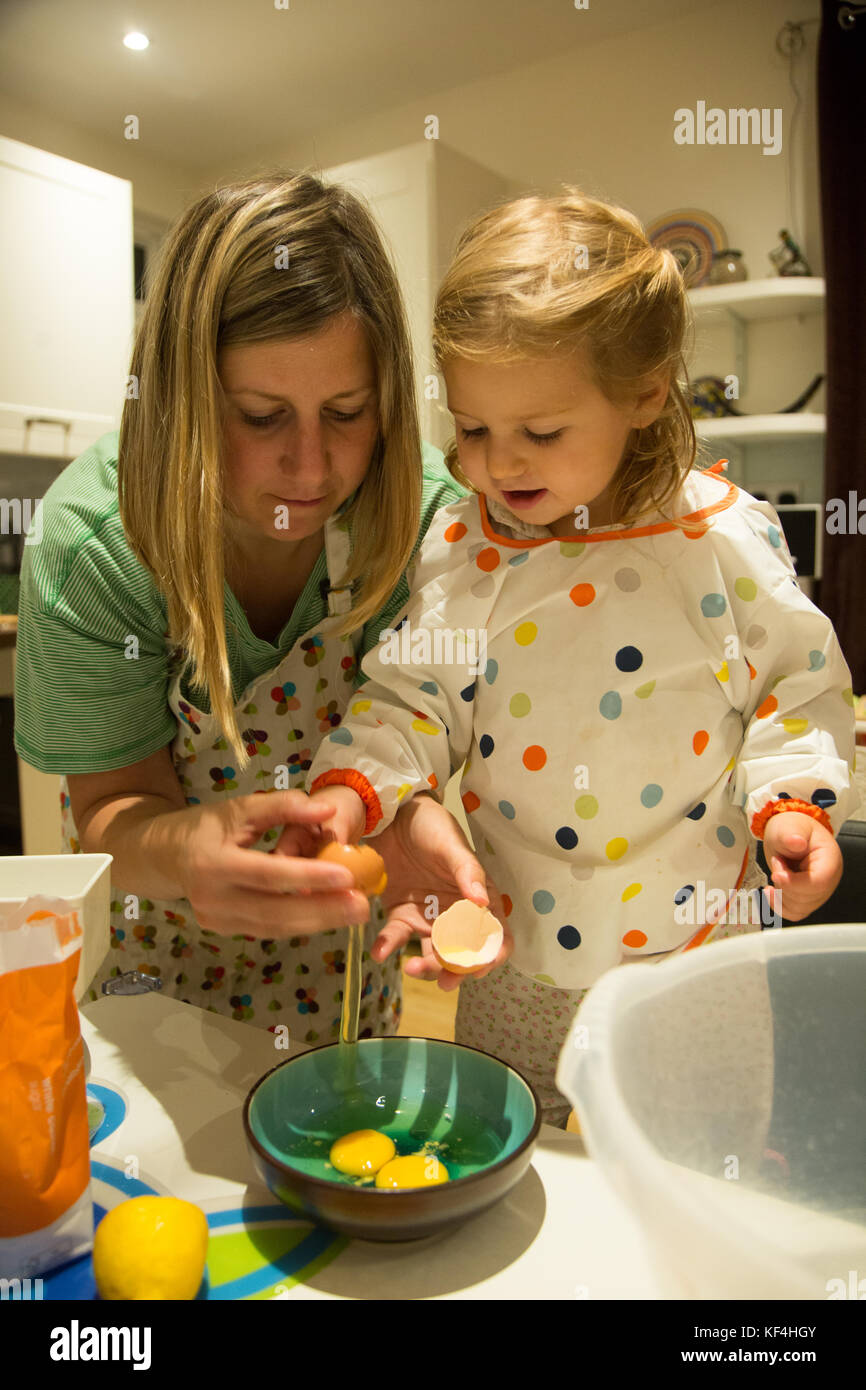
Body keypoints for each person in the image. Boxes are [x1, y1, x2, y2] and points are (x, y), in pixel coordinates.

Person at [304, 188, 860, 1125]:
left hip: (695, 956)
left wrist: (797, 808)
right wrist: (359, 784)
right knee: (516, 1166)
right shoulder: (465, 542)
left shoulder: (719, 537)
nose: (496, 465)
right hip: (512, 949)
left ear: (645, 392)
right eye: (473, 430)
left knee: (684, 1166)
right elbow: (412, 698)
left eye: (541, 432)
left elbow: (795, 688)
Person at [14, 170, 508, 1045]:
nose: (312, 469)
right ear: (180, 400)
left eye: (348, 412)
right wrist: (183, 850)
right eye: (260, 415)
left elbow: (410, 728)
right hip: (156, 979)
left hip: (348, 973)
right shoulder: (99, 543)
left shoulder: (427, 517)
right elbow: (112, 811)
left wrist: (411, 813)